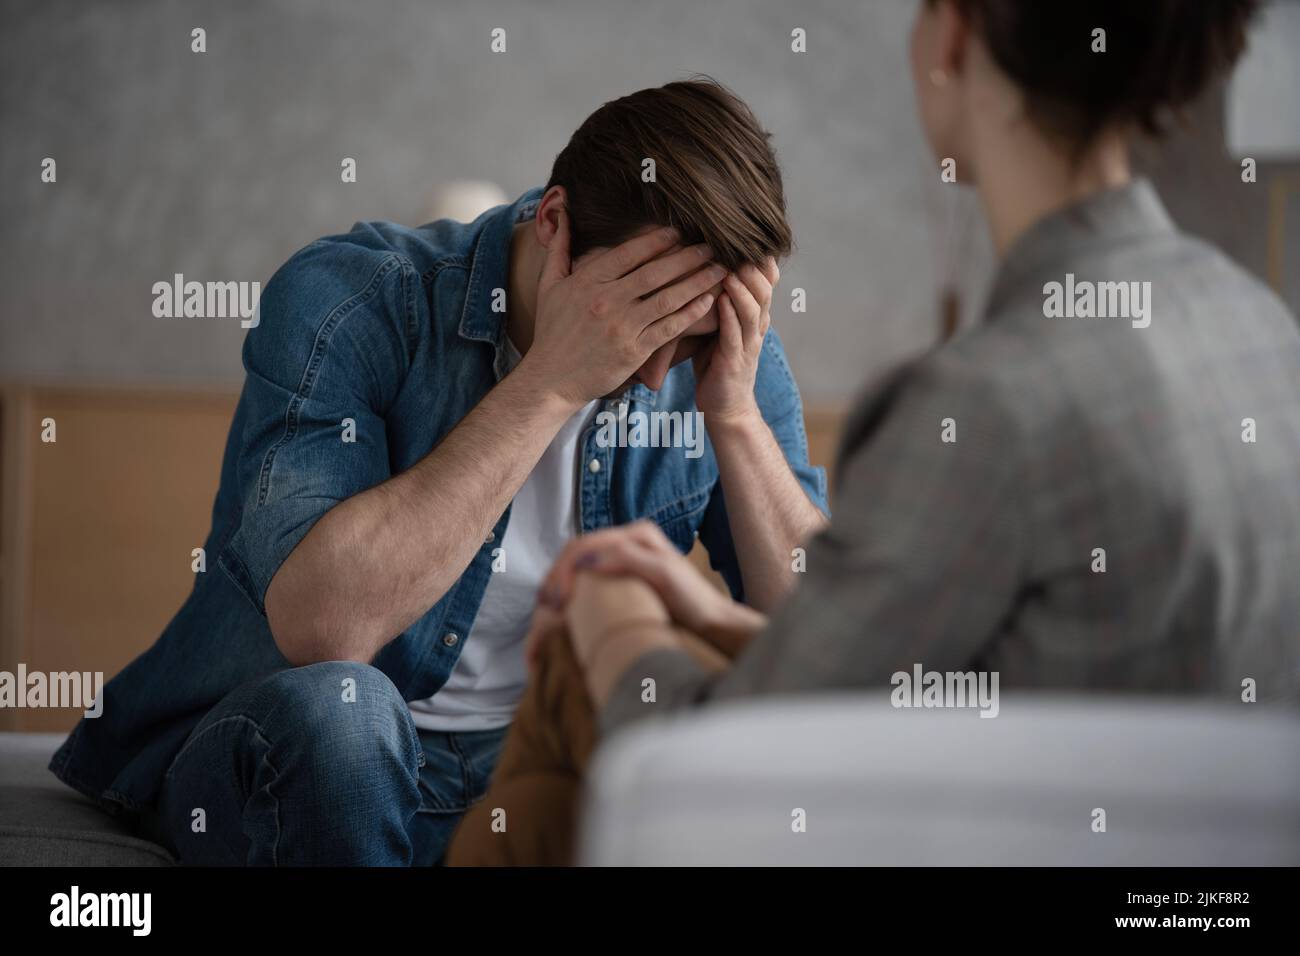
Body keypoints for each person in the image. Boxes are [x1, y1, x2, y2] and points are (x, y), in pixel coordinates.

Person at [446, 0, 1300, 866]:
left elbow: (766, 747)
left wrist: (612, 618)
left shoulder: (983, 406)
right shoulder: (1261, 329)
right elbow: (974, 684)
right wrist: (716, 615)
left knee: (557, 741)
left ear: (954, 37)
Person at [49, 79, 829, 865]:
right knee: (345, 712)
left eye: (689, 343)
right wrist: (549, 384)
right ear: (553, 223)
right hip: (298, 750)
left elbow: (828, 644)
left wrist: (734, 415)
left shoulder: (723, 353)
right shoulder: (353, 301)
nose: (663, 375)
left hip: (524, 766)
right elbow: (327, 628)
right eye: (639, 322)